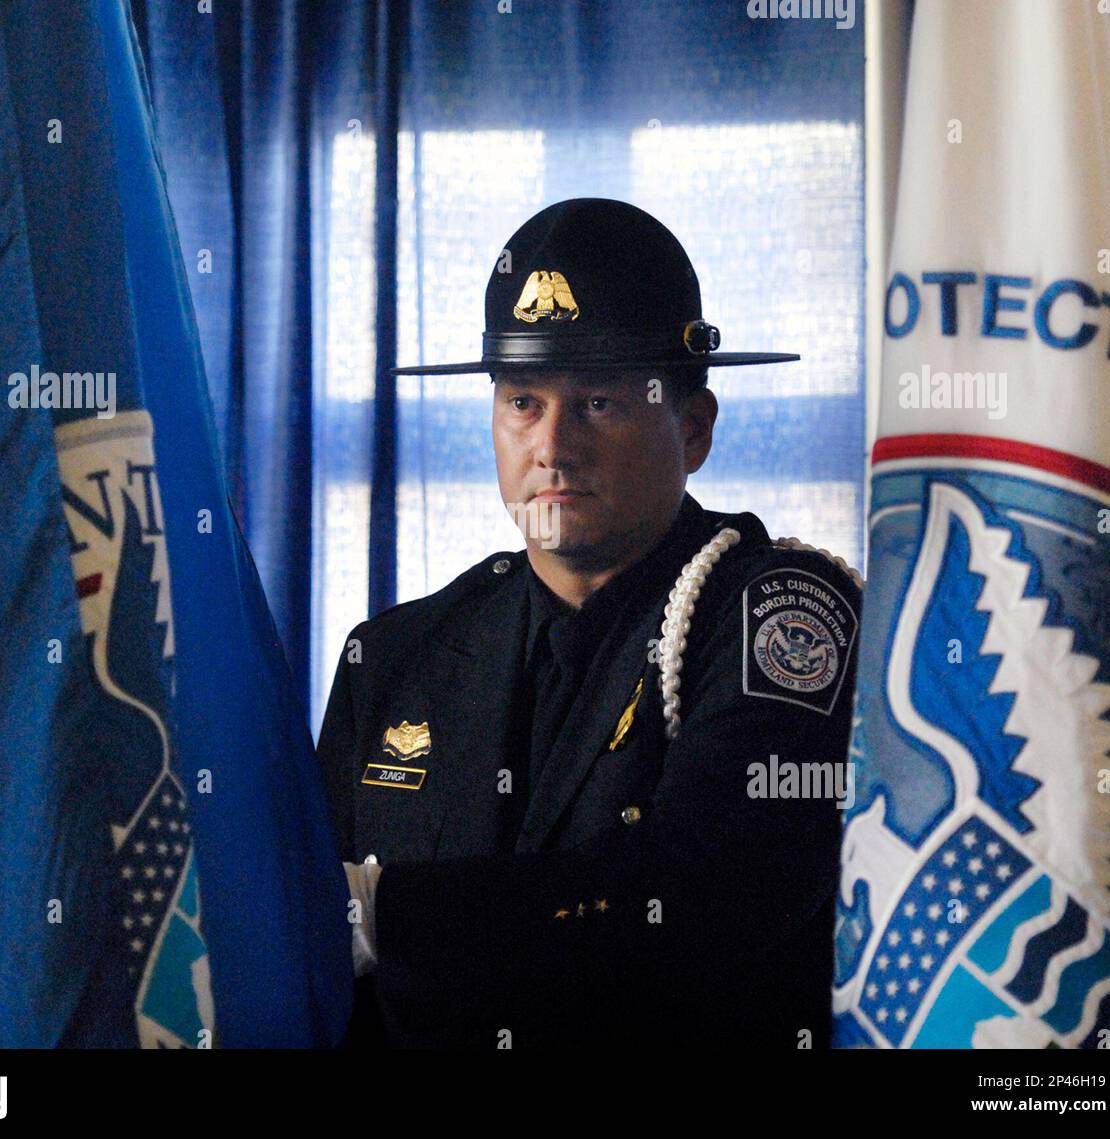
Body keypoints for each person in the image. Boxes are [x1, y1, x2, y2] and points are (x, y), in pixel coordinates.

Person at [316, 198, 862, 1048]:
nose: (553, 447)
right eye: (524, 401)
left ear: (694, 427)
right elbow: (322, 996)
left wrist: (384, 914)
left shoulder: (778, 617)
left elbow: (694, 907)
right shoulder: (393, 657)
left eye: (600, 401)